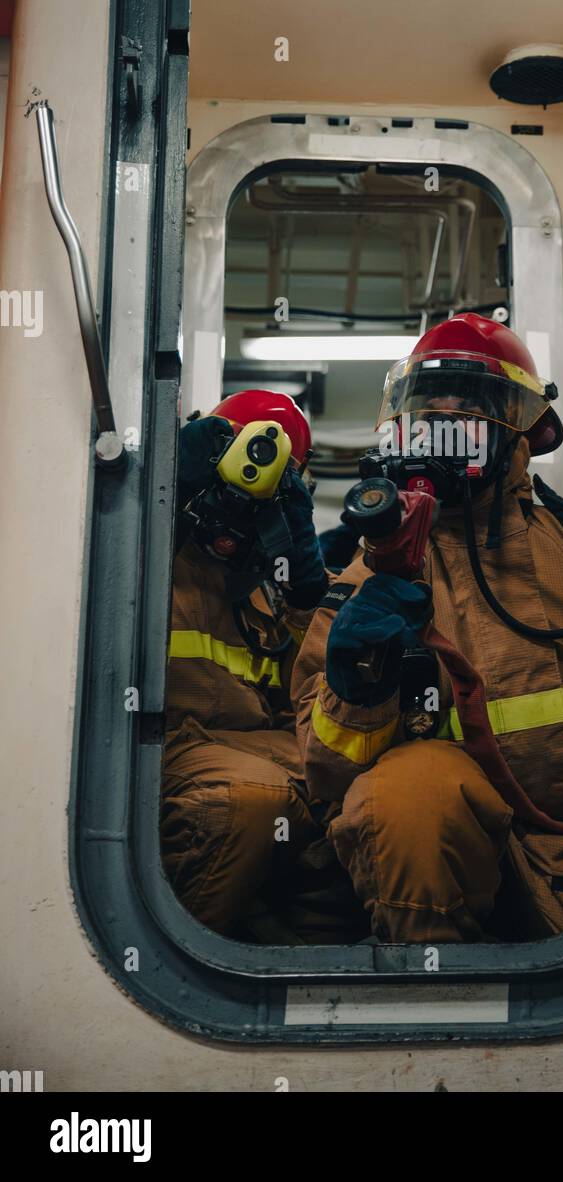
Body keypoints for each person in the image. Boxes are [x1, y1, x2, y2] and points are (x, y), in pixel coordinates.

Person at [291, 313, 563, 944]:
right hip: (436, 863)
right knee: (405, 798)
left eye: (467, 402)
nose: (443, 419)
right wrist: (359, 685)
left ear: (521, 423)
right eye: (428, 404)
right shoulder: (373, 571)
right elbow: (324, 771)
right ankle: (430, 992)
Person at [161, 390, 357, 940]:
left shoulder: (271, 578)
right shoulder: (150, 548)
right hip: (165, 744)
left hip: (252, 742)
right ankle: (177, 958)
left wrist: (305, 593)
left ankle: (295, 944)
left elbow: (301, 691)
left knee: (363, 780)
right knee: (249, 801)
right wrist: (163, 497)